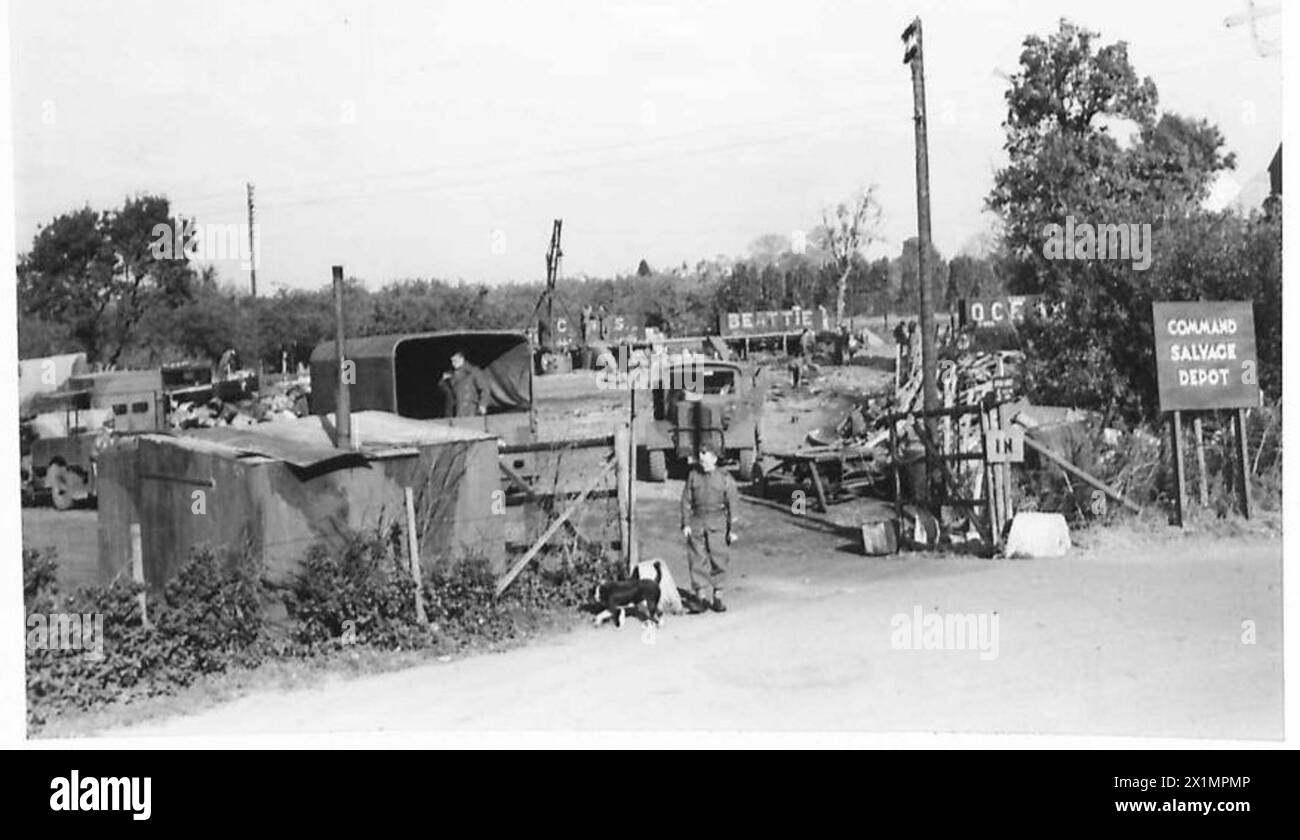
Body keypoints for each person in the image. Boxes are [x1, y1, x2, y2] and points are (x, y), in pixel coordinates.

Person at [680, 444, 740, 612]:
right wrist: (685, 523)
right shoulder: (693, 476)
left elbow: (732, 504)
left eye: (705, 456)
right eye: (700, 456)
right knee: (697, 559)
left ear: (714, 458)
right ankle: (700, 597)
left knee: (719, 558)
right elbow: (686, 501)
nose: (702, 460)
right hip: (697, 521)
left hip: (717, 522)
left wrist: (733, 529)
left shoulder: (724, 478)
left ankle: (718, 597)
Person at [440, 349, 490, 418]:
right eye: (451, 361)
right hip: (456, 410)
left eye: (455, 360)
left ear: (462, 359)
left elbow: (484, 389)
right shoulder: (451, 373)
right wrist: (443, 380)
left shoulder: (473, 371)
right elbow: (444, 390)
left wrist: (483, 404)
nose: (453, 363)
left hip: (470, 409)